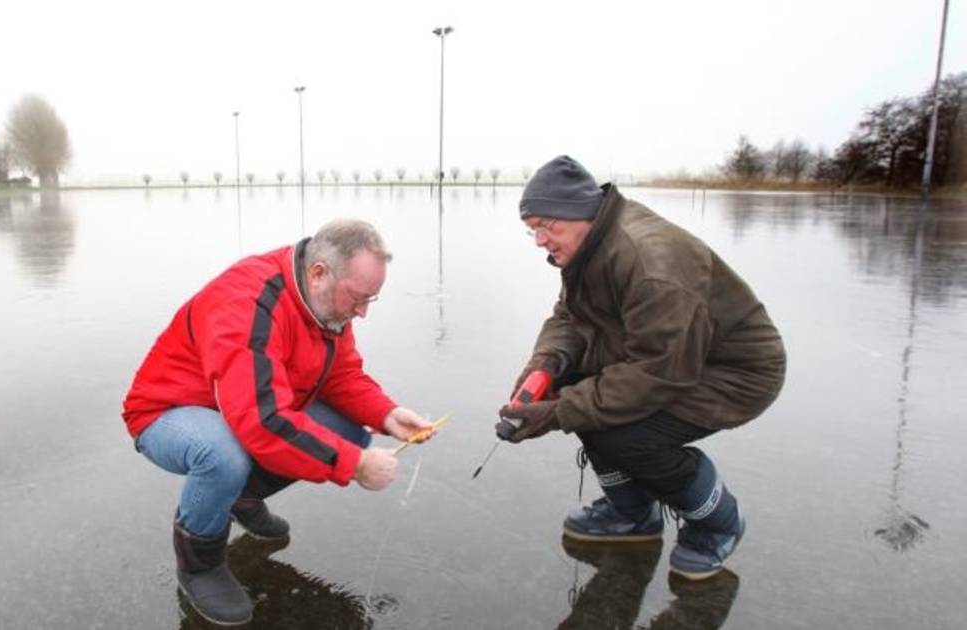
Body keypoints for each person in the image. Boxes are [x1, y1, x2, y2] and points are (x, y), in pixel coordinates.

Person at [122, 218, 434, 625]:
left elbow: (340, 376)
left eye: (371, 300)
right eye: (358, 298)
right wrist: (355, 466)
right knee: (223, 456)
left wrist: (386, 414)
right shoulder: (248, 303)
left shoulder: (327, 305)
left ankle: (239, 496)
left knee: (348, 429)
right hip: (167, 412)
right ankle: (199, 564)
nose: (362, 312)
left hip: (241, 409)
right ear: (318, 273)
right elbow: (262, 422)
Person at [498, 155, 786, 580]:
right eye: (532, 229)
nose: (540, 240)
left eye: (547, 226)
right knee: (579, 395)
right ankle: (632, 514)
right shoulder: (588, 246)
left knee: (627, 435)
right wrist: (547, 364)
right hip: (663, 356)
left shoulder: (651, 263)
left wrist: (558, 412)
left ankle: (718, 522)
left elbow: (659, 373)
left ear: (580, 212)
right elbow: (570, 315)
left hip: (729, 372)